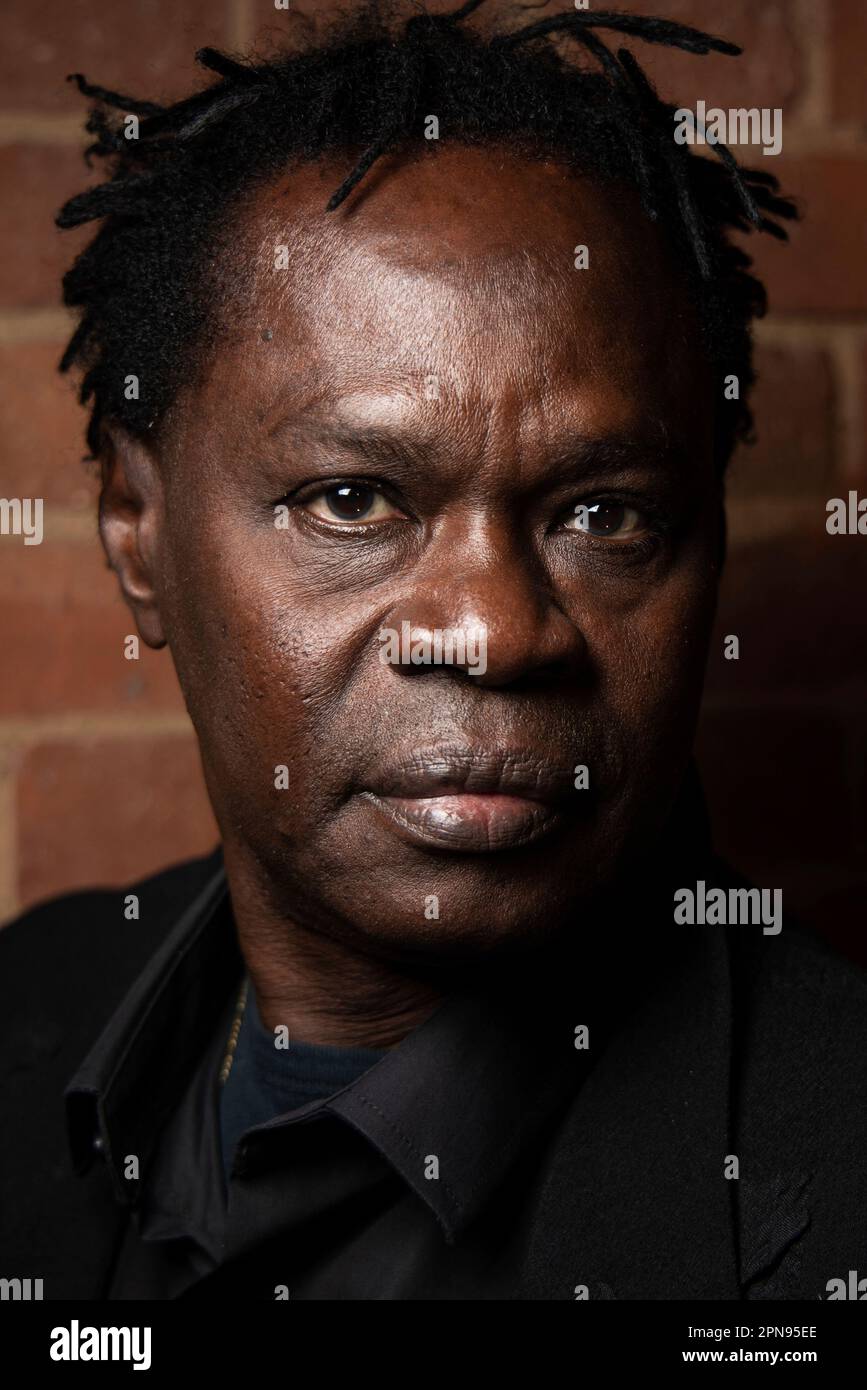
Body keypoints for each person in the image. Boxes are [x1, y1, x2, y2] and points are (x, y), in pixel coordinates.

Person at [2, 1, 865, 1301]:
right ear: (138, 530)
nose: (496, 629)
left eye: (603, 513)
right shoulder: (29, 997)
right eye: (352, 499)